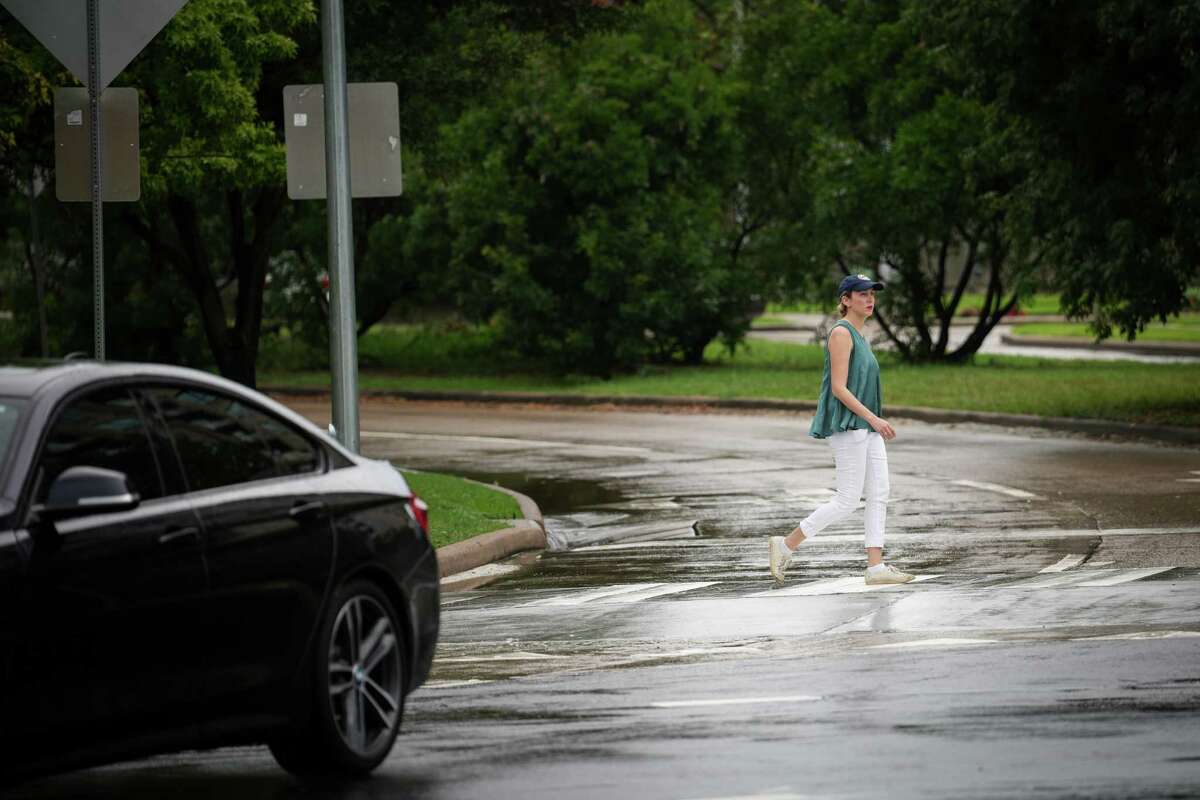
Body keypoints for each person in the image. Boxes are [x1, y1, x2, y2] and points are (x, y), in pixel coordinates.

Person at [768, 273, 914, 586]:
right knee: (847, 500)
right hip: (849, 426)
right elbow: (838, 388)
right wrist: (874, 418)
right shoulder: (841, 334)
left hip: (866, 426)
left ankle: (875, 568)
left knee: (879, 492)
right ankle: (785, 545)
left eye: (872, 293)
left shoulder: (860, 336)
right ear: (846, 300)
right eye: (861, 294)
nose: (869, 299)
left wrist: (872, 422)